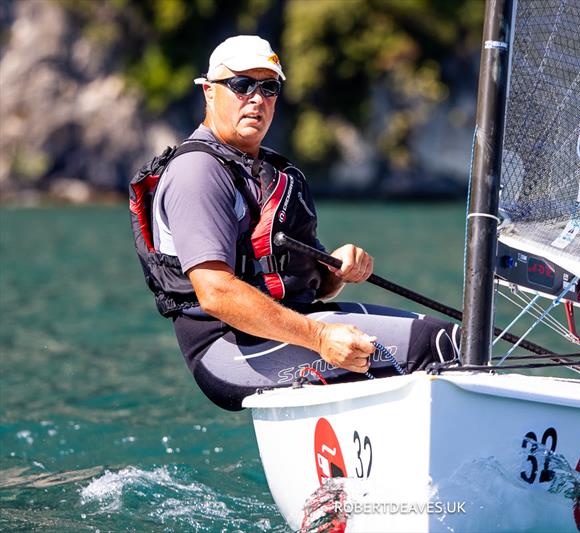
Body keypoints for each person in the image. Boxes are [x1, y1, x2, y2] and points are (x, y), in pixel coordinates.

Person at [131, 35, 459, 410]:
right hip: (228, 350)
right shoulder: (198, 172)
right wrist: (320, 338)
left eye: (269, 87)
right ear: (208, 92)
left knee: (456, 339)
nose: (257, 98)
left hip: (286, 329)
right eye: (241, 85)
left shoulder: (270, 171)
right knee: (432, 346)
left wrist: (338, 270)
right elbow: (216, 294)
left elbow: (311, 286)